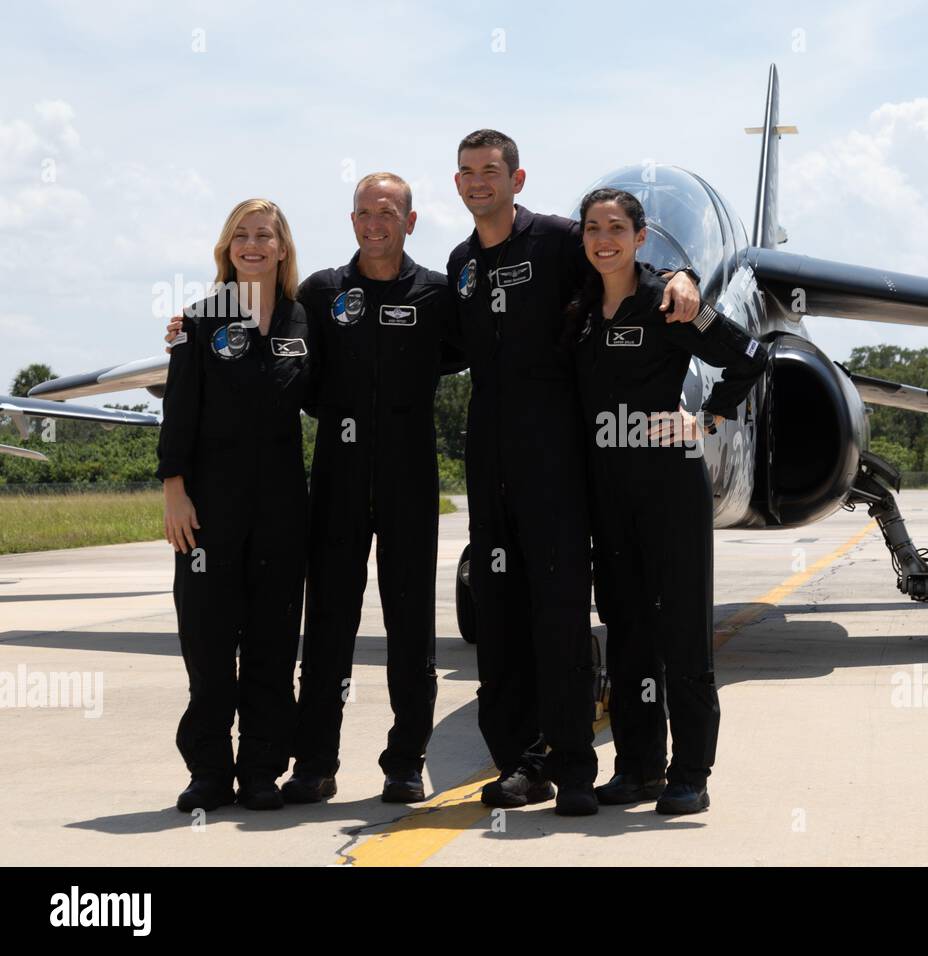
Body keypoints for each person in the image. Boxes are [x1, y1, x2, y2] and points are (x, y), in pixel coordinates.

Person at [167, 173, 465, 805]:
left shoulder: (438, 295)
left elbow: (490, 350)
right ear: (350, 219)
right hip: (336, 480)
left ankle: (405, 760)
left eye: (387, 213)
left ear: (409, 222)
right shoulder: (323, 295)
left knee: (411, 626)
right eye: (363, 212)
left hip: (410, 482)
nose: (374, 223)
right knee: (327, 625)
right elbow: (266, 360)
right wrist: (187, 332)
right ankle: (314, 761)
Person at [446, 130, 700, 815]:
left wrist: (686, 278)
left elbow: (625, 276)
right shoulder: (461, 262)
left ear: (516, 178)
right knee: (498, 625)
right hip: (489, 469)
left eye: (490, 171)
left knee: (560, 622)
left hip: (558, 468)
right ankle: (522, 765)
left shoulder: (559, 240)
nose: (478, 182)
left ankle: (576, 769)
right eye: (466, 172)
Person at [569, 188, 768, 814]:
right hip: (608, 490)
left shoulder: (672, 301)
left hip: (668, 486)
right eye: (594, 228)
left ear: (640, 234)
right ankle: (637, 769)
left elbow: (751, 357)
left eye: (617, 228)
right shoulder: (575, 308)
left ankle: (690, 774)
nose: (605, 239)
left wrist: (705, 420)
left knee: (681, 630)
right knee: (627, 631)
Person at [159, 198, 312, 812]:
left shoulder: (306, 321)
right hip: (208, 510)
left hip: (281, 507)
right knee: (209, 644)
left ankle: (259, 772)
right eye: (240, 236)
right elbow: (180, 410)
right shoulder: (199, 321)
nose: (252, 245)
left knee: (274, 644)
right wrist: (173, 487)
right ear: (227, 248)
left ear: (282, 247)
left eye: (264, 235)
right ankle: (209, 773)